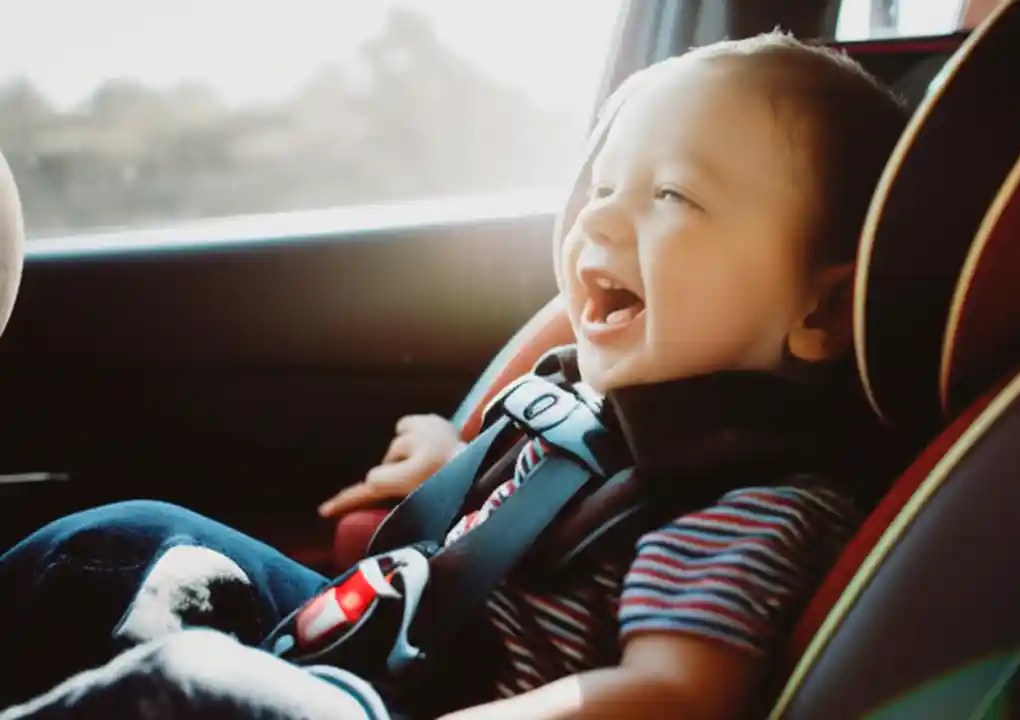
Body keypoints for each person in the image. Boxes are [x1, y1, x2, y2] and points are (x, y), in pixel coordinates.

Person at [0, 30, 908, 719]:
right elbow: (529, 516)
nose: (602, 220)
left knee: (188, 687)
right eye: (603, 186)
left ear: (820, 313)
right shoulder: (602, 407)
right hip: (364, 645)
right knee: (125, 543)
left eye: (671, 194)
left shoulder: (744, 503)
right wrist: (458, 460)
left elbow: (671, 694)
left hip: (417, 702)